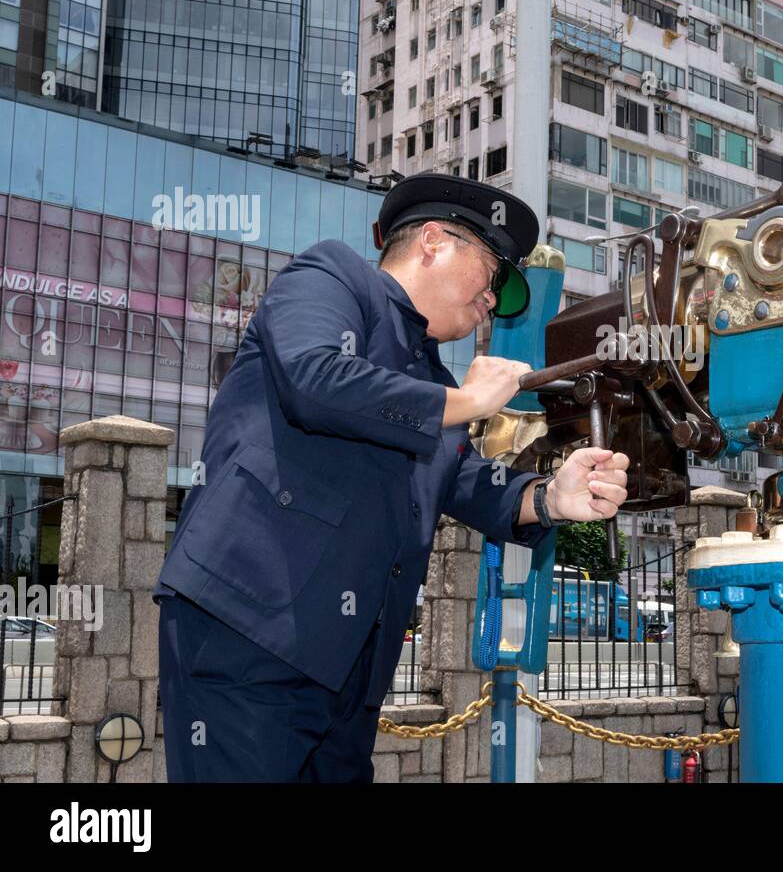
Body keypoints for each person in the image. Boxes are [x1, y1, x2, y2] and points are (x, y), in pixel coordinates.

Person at [153, 173, 629, 782]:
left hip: (350, 670)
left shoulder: (431, 379)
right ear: (433, 240)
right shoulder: (331, 276)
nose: (492, 300)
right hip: (250, 628)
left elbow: (466, 481)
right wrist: (467, 402)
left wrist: (553, 499)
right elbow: (316, 380)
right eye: (493, 274)